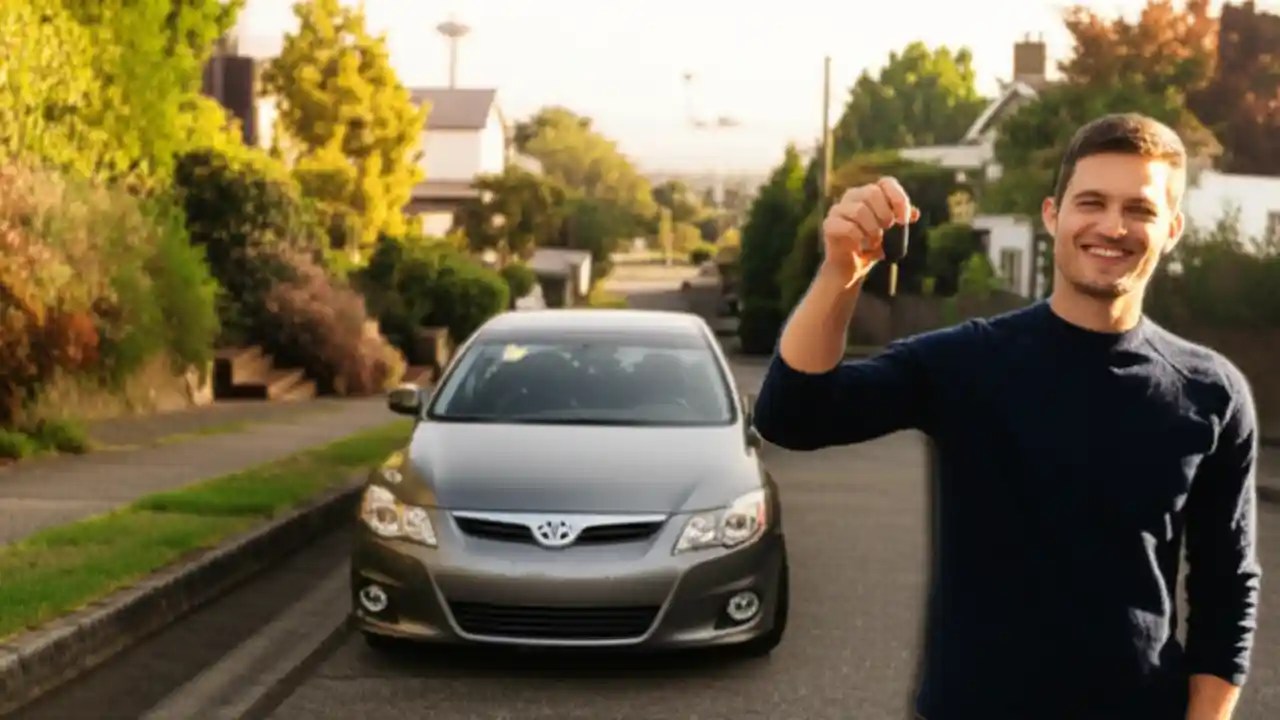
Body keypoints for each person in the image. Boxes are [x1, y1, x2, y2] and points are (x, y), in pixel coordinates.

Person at [752, 113, 1261, 719]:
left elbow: (1227, 589)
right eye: (1091, 202)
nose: (1112, 226)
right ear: (1052, 215)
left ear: (1172, 228)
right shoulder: (968, 362)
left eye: (1140, 209)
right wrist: (843, 271)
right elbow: (793, 416)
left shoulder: (1212, 392)